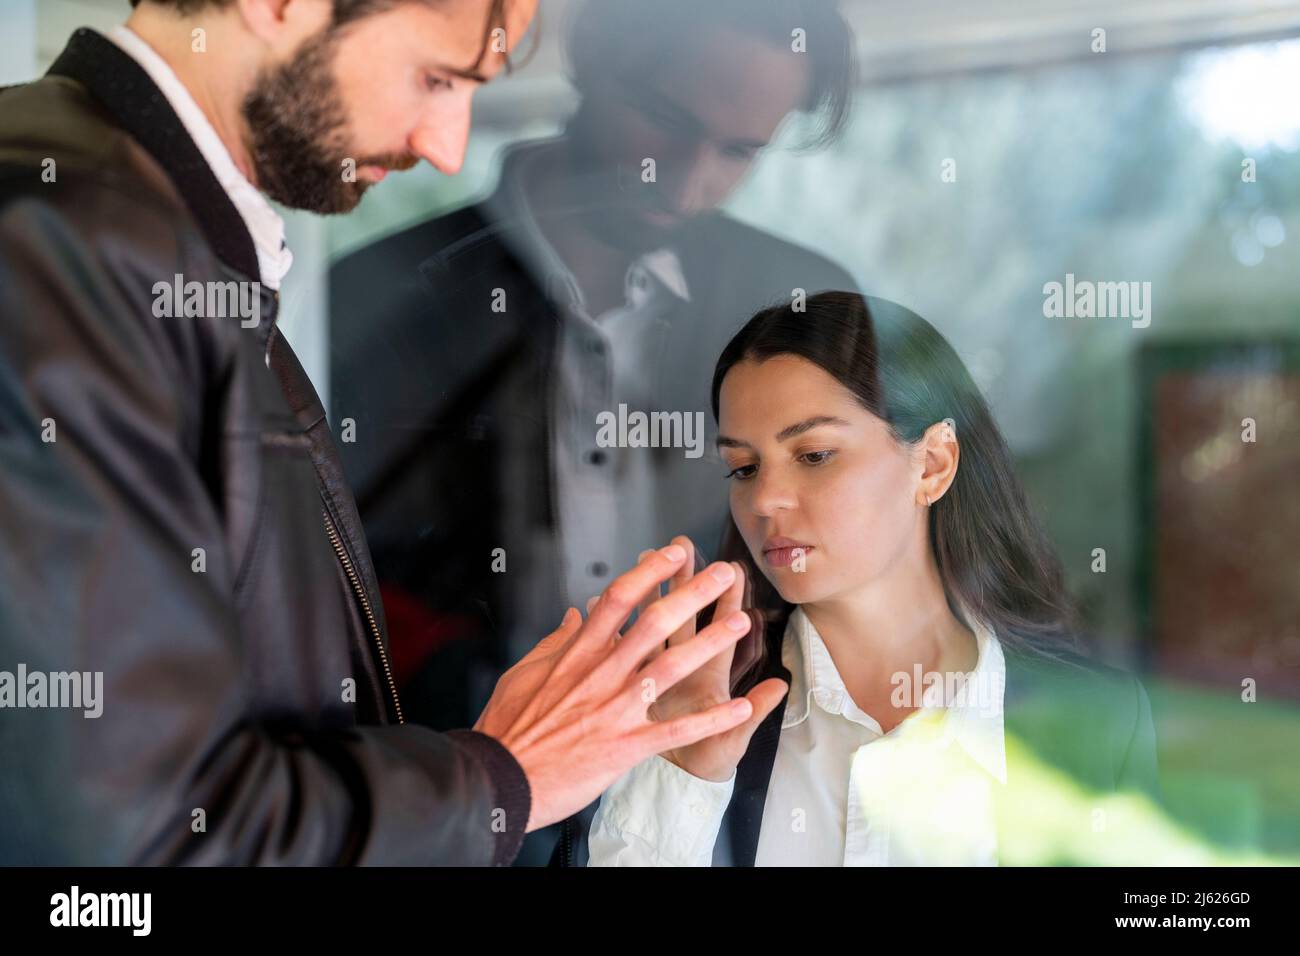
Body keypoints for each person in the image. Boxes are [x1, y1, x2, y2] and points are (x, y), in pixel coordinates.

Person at [0, 0, 763, 866]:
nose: (445, 145)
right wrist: (497, 781)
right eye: (436, 78)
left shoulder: (139, 237)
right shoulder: (66, 241)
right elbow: (126, 847)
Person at [328, 0, 858, 739]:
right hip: (455, 777)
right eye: (666, 122)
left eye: (739, 151)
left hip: (721, 771)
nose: (684, 184)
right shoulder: (375, 297)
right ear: (592, 55)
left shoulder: (804, 303)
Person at [553, 291, 1161, 866]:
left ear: (934, 462)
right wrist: (678, 776)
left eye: (814, 455)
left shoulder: (1098, 724)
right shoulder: (689, 710)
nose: (765, 499)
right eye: (742, 467)